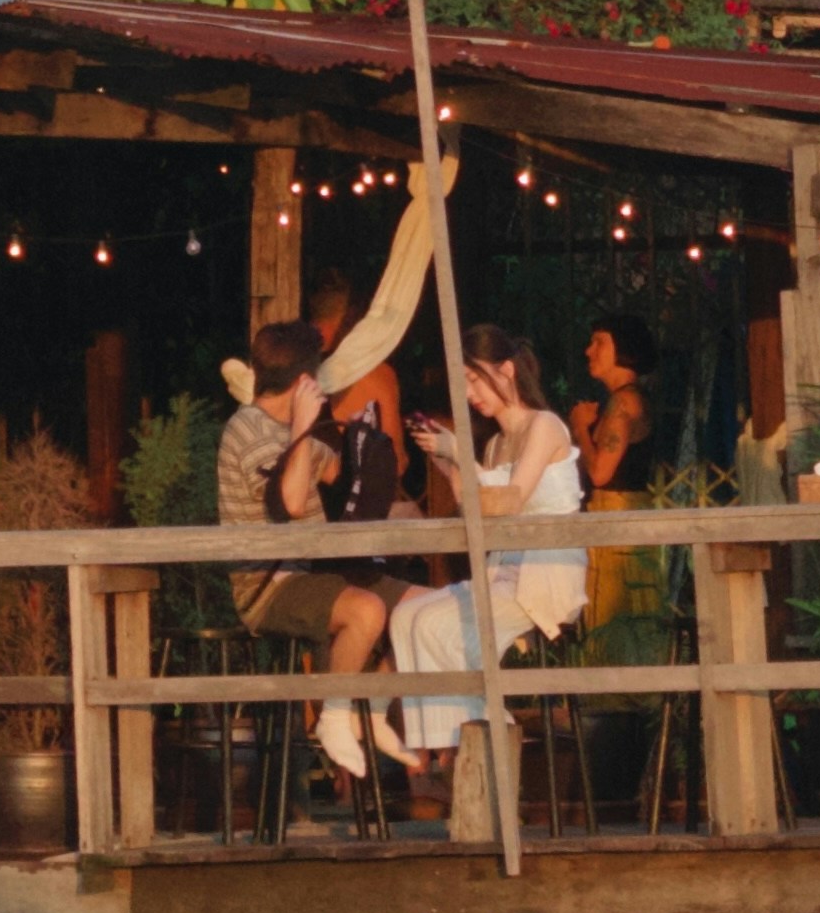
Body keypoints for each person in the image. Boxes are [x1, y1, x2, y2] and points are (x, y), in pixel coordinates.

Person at [385, 324, 587, 768]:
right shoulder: (494, 444)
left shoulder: (545, 425)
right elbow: (475, 507)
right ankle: (448, 744)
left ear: (507, 370)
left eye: (475, 380)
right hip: (502, 570)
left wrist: (460, 453)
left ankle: (480, 741)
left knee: (441, 628)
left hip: (545, 572)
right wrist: (447, 461)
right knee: (406, 616)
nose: (471, 394)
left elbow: (512, 498)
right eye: (463, 385)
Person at [214, 318, 404, 781]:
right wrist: (302, 428)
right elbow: (294, 502)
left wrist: (364, 440)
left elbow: (339, 474)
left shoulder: (291, 433)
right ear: (305, 382)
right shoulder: (249, 430)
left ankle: (373, 714)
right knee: (366, 612)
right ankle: (334, 716)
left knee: (424, 609)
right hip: (270, 587)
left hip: (318, 574)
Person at [308, 264, 405, 473]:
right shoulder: (377, 374)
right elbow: (396, 463)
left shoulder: (292, 368)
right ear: (353, 315)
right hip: (357, 500)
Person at [569, 313, 658, 494]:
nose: (589, 351)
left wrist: (580, 428)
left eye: (599, 343)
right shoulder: (621, 398)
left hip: (618, 515)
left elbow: (599, 474)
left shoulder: (623, 401)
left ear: (623, 346)